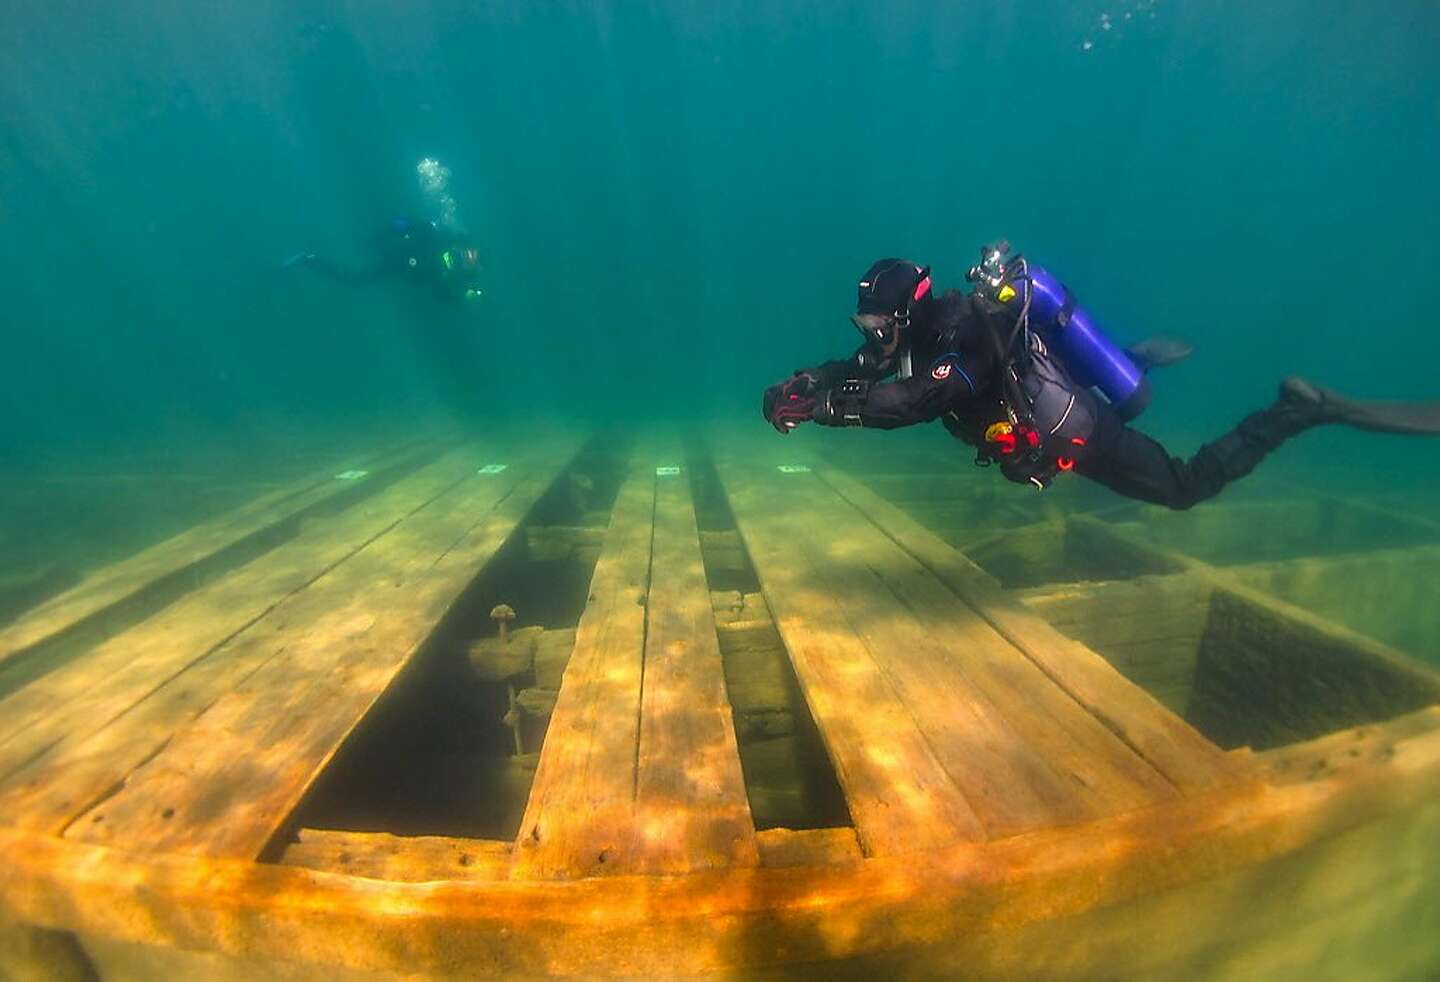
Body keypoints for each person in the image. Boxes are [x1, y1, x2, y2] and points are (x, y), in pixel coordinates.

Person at [761, 246, 1440, 508]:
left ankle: (1295, 410)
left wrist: (823, 412)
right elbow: (861, 373)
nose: (871, 339)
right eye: (865, 328)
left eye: (877, 326)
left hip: (1077, 433)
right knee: (1098, 389)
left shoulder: (964, 338)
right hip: (1036, 415)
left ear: (906, 312)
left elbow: (911, 401)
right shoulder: (912, 336)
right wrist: (803, 383)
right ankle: (1130, 361)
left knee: (1183, 489)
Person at [284, 216, 484, 305]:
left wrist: (461, 297)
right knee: (356, 279)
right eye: (472, 254)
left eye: (473, 260)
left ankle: (310, 259)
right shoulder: (444, 240)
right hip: (398, 259)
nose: (469, 258)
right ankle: (309, 260)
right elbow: (437, 286)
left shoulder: (458, 267)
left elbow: (438, 290)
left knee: (357, 277)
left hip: (401, 262)